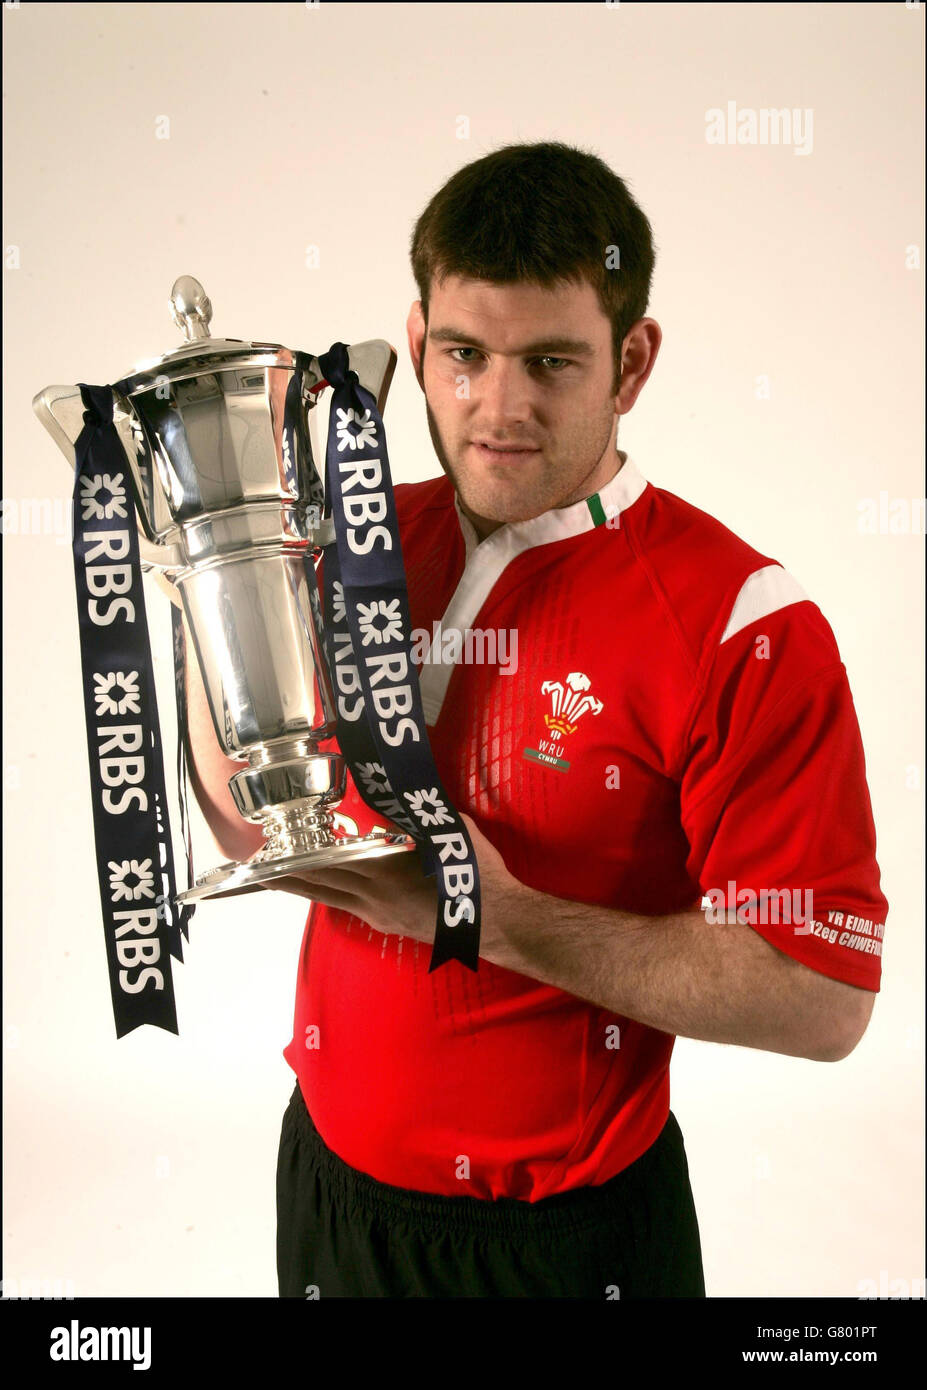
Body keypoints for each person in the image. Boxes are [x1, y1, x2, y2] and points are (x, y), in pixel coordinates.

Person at [175, 141, 887, 1299]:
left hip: (569, 1249)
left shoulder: (740, 621)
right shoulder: (346, 546)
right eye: (464, 353)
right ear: (415, 346)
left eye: (551, 360)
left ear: (633, 360)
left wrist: (496, 918)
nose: (498, 407)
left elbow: (821, 996)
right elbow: (251, 821)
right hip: (328, 1191)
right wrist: (204, 571)